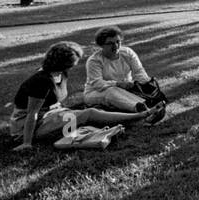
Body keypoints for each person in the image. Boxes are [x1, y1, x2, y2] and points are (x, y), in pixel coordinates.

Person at [11, 41, 162, 150]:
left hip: (52, 114)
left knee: (93, 113)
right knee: (89, 114)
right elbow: (32, 113)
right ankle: (141, 115)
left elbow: (52, 102)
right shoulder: (42, 80)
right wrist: (26, 143)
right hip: (27, 126)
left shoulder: (61, 73)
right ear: (66, 63)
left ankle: (137, 114)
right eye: (75, 61)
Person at [84, 26, 164, 111]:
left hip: (125, 90)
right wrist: (118, 84)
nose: (115, 46)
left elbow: (139, 71)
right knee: (111, 91)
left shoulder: (127, 53)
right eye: (110, 43)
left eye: (118, 42)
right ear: (102, 45)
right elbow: (98, 84)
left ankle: (146, 107)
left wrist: (144, 84)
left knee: (142, 88)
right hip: (96, 92)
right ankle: (143, 111)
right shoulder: (94, 60)